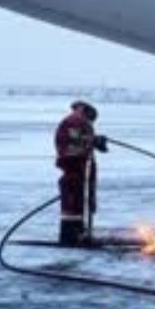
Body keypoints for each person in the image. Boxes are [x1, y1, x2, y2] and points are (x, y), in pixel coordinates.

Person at [55, 100, 108, 246]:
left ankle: (79, 233)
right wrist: (94, 141)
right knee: (73, 204)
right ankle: (70, 237)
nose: (91, 121)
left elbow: (81, 141)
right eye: (91, 117)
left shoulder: (79, 122)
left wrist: (95, 142)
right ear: (85, 110)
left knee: (81, 203)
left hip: (81, 168)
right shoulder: (74, 121)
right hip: (74, 169)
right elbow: (73, 145)